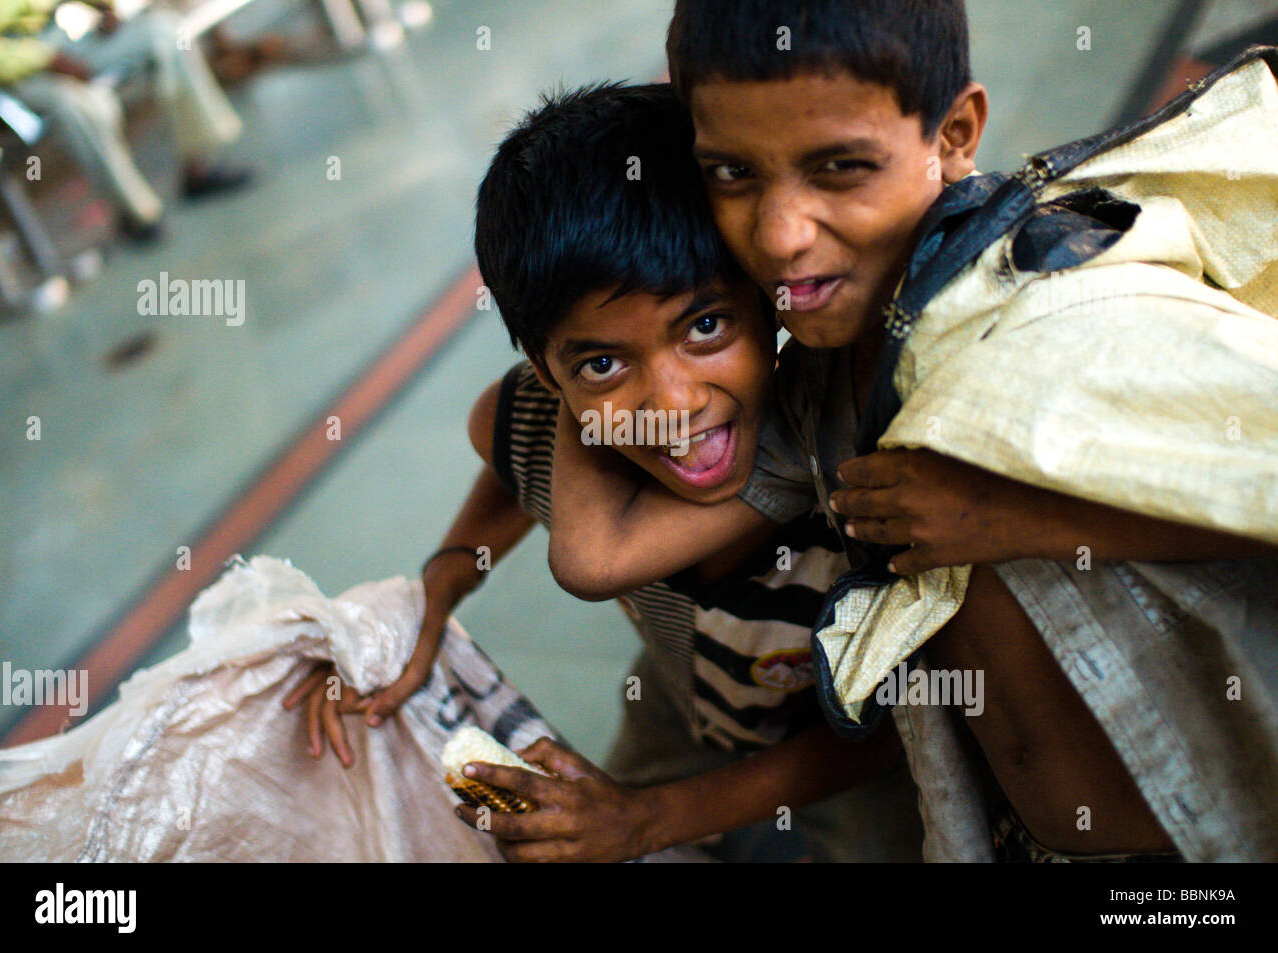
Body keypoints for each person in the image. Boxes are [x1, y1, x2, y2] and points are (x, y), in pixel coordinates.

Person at [549, 1, 1278, 861]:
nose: (782, 236)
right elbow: (597, 557)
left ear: (956, 132)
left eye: (840, 167)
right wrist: (576, 352)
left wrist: (1022, 520)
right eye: (733, 174)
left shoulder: (1059, 301)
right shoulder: (822, 388)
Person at [285, 82, 924, 863]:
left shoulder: (851, 477)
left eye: (706, 324)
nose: (672, 403)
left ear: (767, 299)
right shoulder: (531, 422)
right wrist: (446, 579)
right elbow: (508, 459)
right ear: (549, 380)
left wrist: (651, 818)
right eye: (602, 361)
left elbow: (883, 734)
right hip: (683, 700)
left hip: (838, 741)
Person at [0, 0, 251, 240]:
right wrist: (44, 59)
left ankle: (198, 167)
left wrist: (104, 7)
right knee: (75, 106)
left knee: (165, 32)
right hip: (20, 69)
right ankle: (136, 213)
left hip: (64, 39)